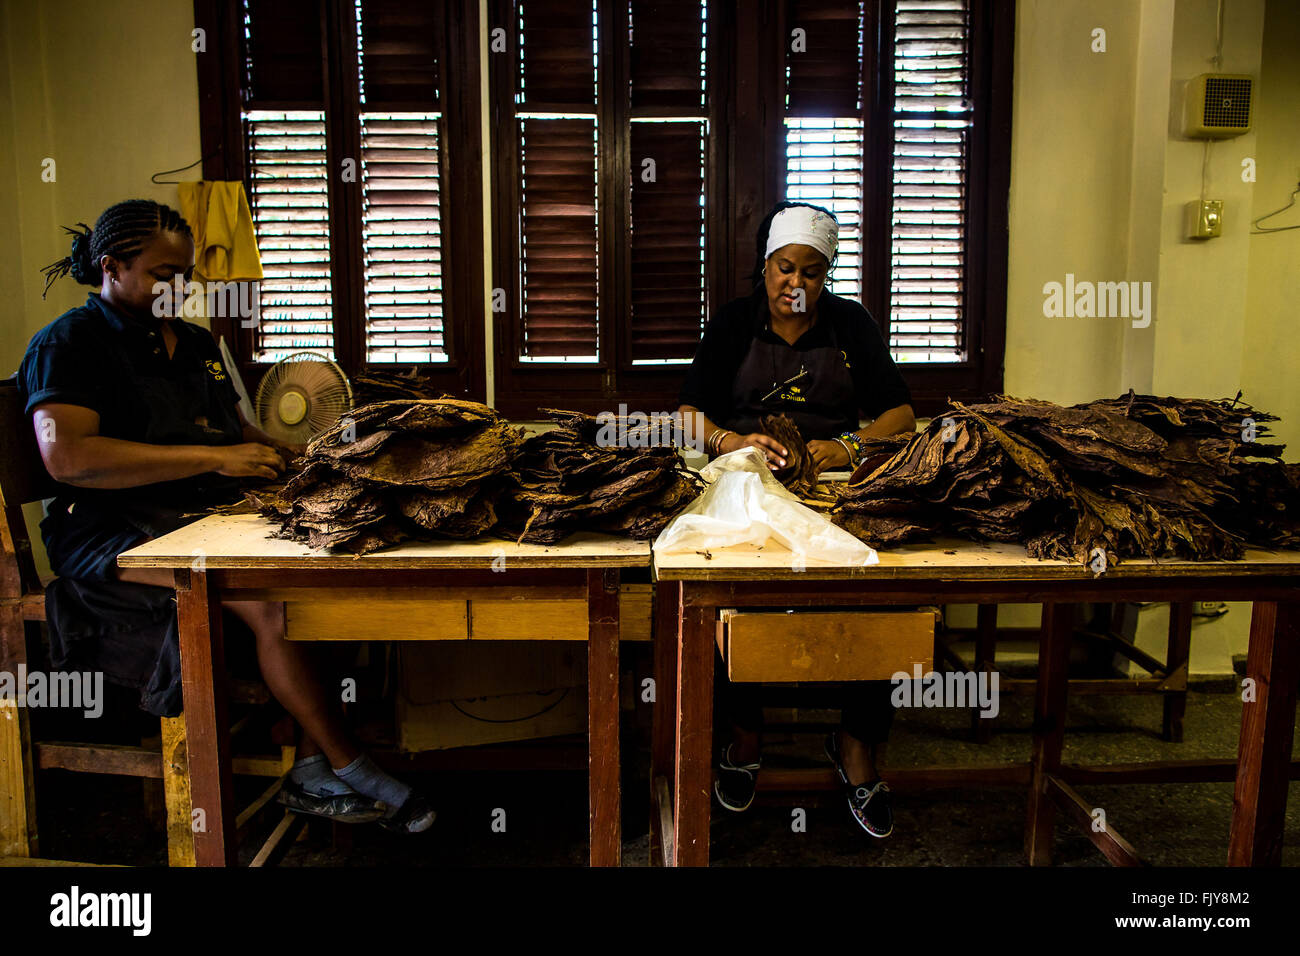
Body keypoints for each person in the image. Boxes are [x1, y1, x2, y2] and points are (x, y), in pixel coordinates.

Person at [20, 199, 433, 833]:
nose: (180, 288)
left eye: (187, 275)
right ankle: (351, 766)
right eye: (164, 274)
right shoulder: (69, 343)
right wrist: (213, 461)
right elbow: (69, 458)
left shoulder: (196, 344)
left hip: (197, 515)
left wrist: (302, 459)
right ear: (113, 267)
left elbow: (235, 428)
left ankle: (310, 765)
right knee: (264, 601)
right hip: (109, 528)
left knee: (326, 574)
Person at [677, 201, 916, 837]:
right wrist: (732, 443)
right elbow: (687, 414)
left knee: (880, 592)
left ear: (826, 274)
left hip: (833, 486)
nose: (797, 285)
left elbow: (900, 415)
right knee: (729, 595)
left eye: (813, 272)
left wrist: (848, 448)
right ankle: (745, 737)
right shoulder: (733, 323)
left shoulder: (850, 325)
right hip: (745, 483)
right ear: (766, 266)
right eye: (786, 269)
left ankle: (855, 744)